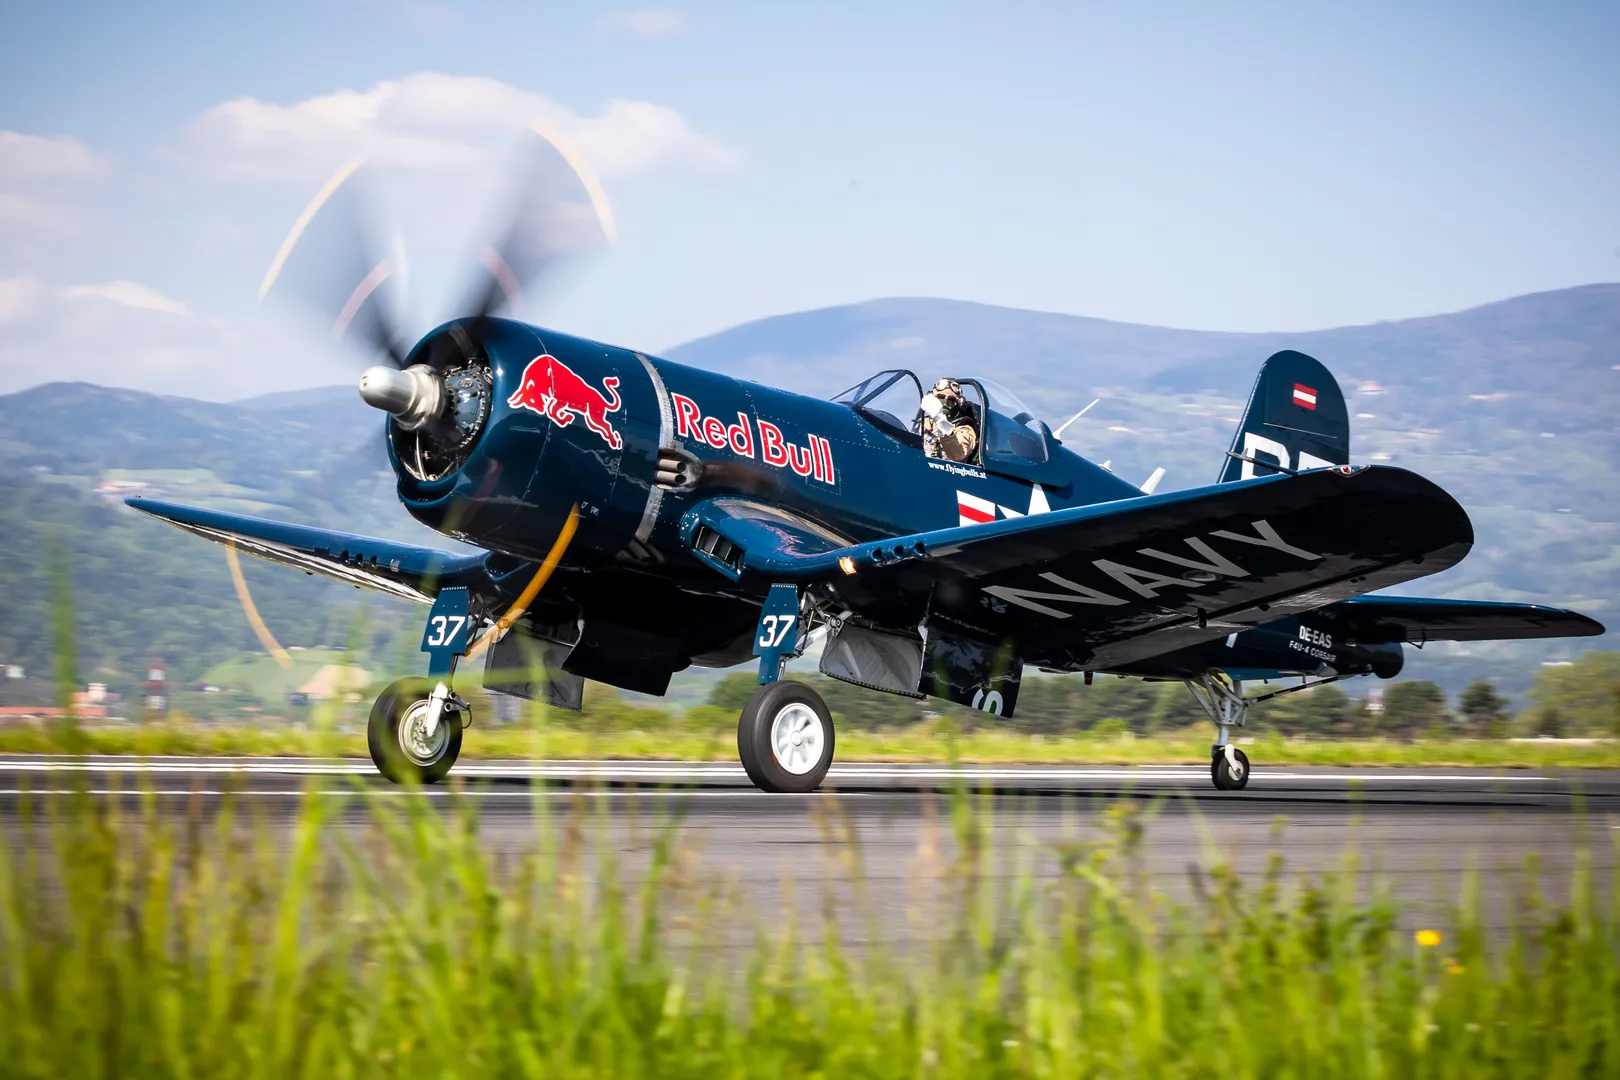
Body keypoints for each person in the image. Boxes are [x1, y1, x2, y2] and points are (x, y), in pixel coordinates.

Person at [919, 378, 978, 462]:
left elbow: (958, 455)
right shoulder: (924, 425)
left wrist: (942, 424)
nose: (945, 401)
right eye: (940, 397)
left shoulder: (965, 430)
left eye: (951, 399)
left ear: (959, 404)